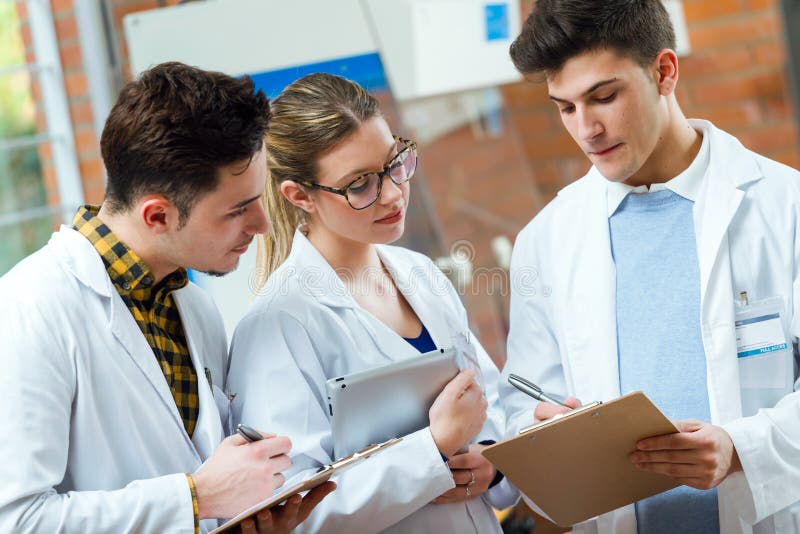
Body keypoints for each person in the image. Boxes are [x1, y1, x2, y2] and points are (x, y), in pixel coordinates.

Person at [501, 1, 800, 533]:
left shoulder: (784, 206)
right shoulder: (545, 241)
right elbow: (522, 407)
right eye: (565, 108)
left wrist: (741, 450)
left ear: (664, 71)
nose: (587, 129)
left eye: (604, 97)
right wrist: (542, 432)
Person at [0, 62, 333, 533]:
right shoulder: (28, 309)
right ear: (157, 216)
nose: (261, 225)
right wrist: (196, 497)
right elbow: (18, 520)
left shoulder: (195, 307)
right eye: (238, 210)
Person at [226, 72, 518, 533]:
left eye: (394, 163)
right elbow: (294, 509)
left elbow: (491, 403)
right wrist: (433, 448)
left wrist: (492, 462)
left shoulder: (421, 274)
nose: (394, 193)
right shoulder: (279, 323)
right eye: (360, 184)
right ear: (300, 195)